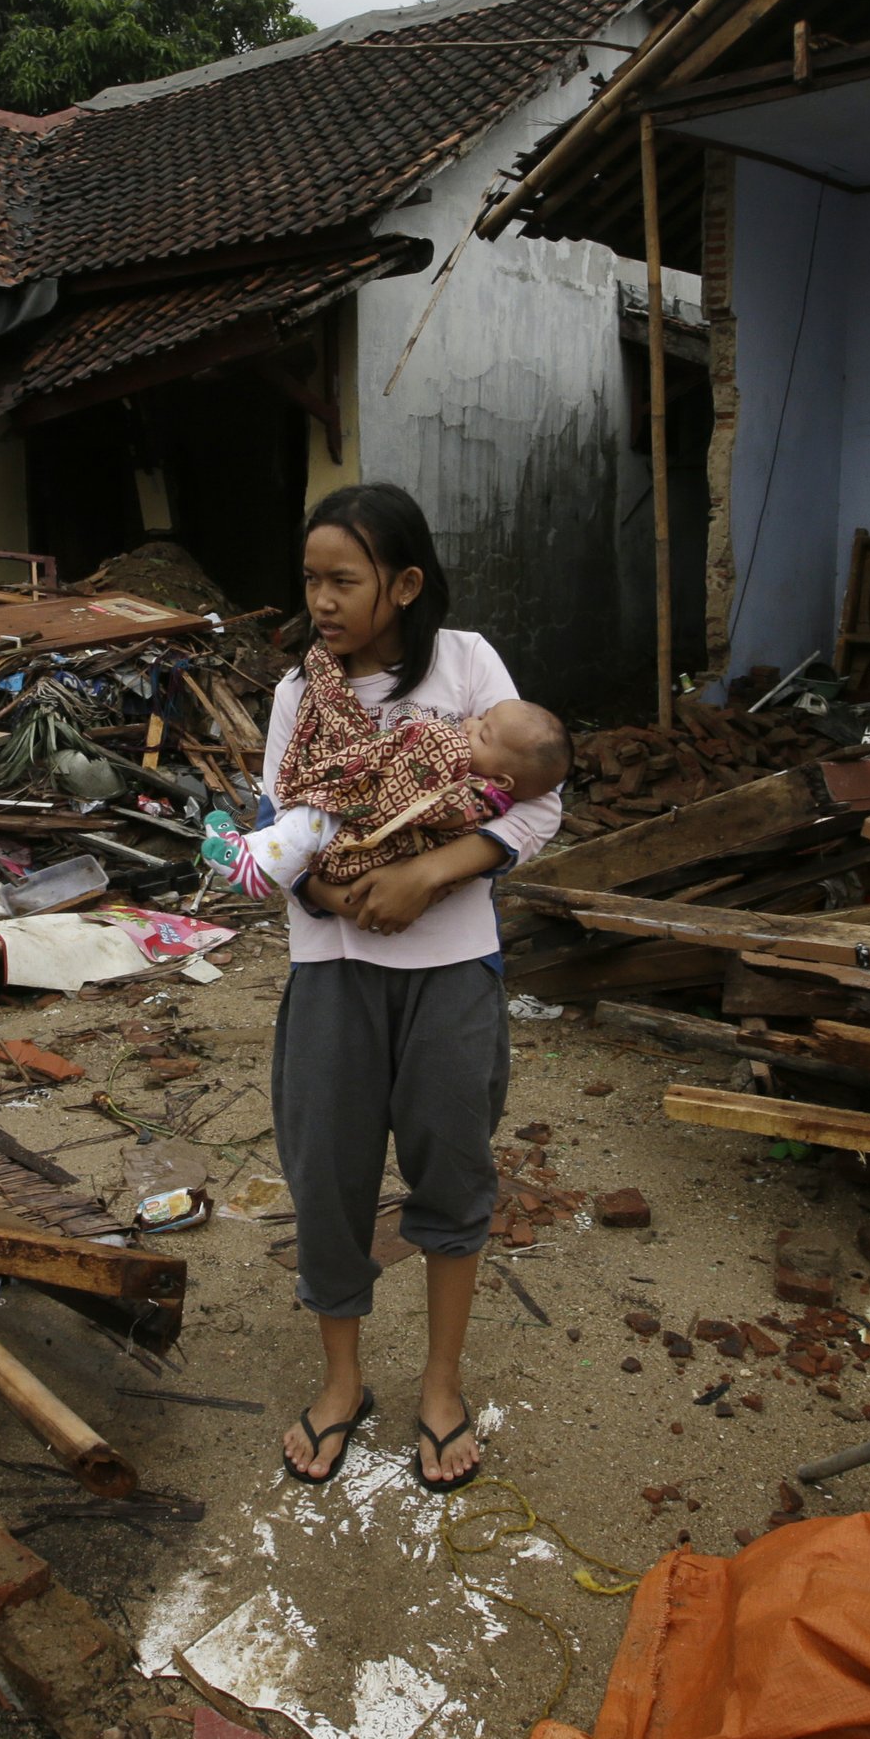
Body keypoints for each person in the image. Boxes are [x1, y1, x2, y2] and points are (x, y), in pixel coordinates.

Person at [263, 483, 560, 1493]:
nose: (324, 600)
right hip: (333, 973)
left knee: (452, 1169)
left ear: (406, 582)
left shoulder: (467, 668)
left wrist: (427, 872)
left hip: (450, 973)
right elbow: (281, 828)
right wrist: (335, 889)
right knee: (328, 1179)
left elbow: (536, 803)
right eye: (312, 579)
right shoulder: (299, 697)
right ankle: (343, 1382)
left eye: (344, 579)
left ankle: (440, 1384)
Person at [203, 684, 569, 901]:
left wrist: (389, 787)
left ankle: (259, 869)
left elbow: (444, 817)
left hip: (376, 845)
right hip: (347, 894)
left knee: (314, 818)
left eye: (483, 733)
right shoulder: (297, 687)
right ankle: (253, 851)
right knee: (309, 816)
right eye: (481, 717)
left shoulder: (482, 796)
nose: (469, 723)